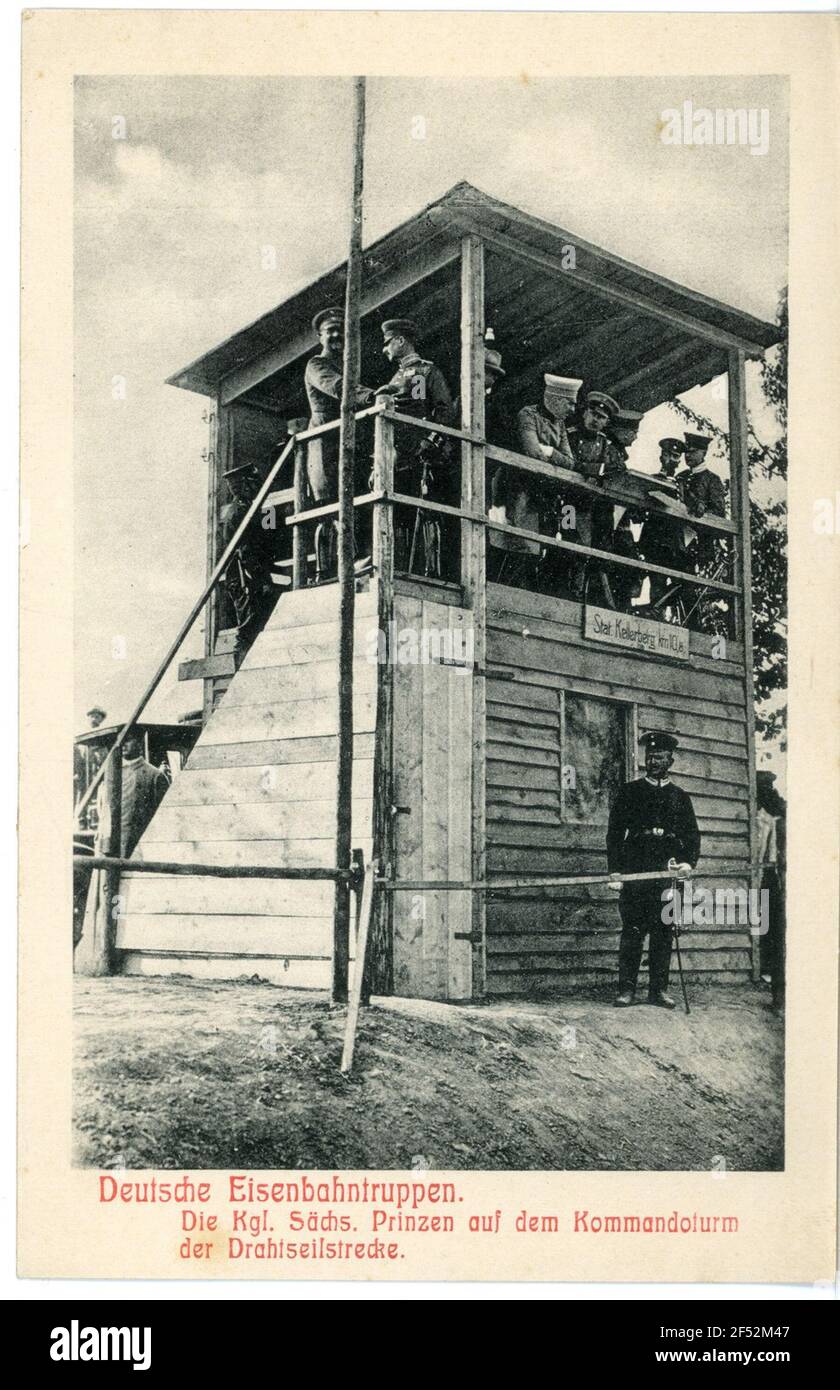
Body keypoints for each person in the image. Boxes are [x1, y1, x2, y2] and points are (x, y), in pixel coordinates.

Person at [607, 730, 701, 1009]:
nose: (653, 761)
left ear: (670, 761)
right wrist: (616, 872)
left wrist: (687, 862)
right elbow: (614, 834)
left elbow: (692, 835)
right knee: (633, 930)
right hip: (636, 870)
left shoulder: (680, 797)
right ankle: (626, 990)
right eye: (650, 756)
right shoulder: (630, 791)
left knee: (663, 931)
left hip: (666, 873)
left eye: (659, 757)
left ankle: (658, 991)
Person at [376, 318, 456, 578]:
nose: (385, 350)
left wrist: (429, 441)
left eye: (388, 343)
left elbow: (438, 411)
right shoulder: (398, 375)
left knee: (427, 513)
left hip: (422, 455)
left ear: (400, 341)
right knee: (401, 514)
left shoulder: (422, 373)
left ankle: (429, 570)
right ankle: (399, 568)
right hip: (399, 456)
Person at [304, 307, 376, 579]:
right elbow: (336, 387)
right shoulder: (317, 365)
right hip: (326, 445)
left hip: (348, 446)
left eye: (340, 330)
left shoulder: (347, 367)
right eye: (330, 330)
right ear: (320, 336)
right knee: (331, 509)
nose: (336, 335)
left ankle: (355, 562)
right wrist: (370, 396)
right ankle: (327, 570)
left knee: (354, 504)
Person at [501, 373, 577, 589]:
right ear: (554, 398)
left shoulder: (560, 424)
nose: (573, 409)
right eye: (569, 403)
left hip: (545, 494)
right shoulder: (528, 414)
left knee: (544, 545)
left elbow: (571, 462)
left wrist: (551, 452)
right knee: (521, 546)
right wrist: (553, 456)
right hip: (521, 489)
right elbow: (532, 451)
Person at [566, 390, 623, 601]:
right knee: (568, 544)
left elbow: (618, 470)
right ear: (584, 414)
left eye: (601, 418)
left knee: (594, 551)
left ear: (606, 422)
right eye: (593, 414)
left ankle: (583, 594)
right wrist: (594, 469)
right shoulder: (569, 436)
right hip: (568, 504)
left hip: (592, 508)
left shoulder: (606, 444)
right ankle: (568, 591)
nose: (595, 420)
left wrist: (600, 472)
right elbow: (567, 461)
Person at [219, 461, 276, 653]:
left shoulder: (250, 508)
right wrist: (263, 578)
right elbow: (246, 551)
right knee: (248, 625)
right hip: (245, 575)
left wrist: (269, 510)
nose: (256, 487)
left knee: (252, 621)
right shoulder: (240, 512)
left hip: (248, 573)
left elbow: (269, 533)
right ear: (244, 485)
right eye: (253, 483)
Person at [756, 770, 786, 1009]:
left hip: (774, 875)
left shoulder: (773, 816)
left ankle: (772, 973)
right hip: (765, 874)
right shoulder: (761, 816)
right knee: (767, 923)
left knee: (773, 925)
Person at [118, 732, 170, 858]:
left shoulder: (155, 776)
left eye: (128, 740)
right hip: (111, 846)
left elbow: (163, 817)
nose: (123, 744)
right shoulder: (112, 774)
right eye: (121, 740)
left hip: (139, 848)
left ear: (140, 743)